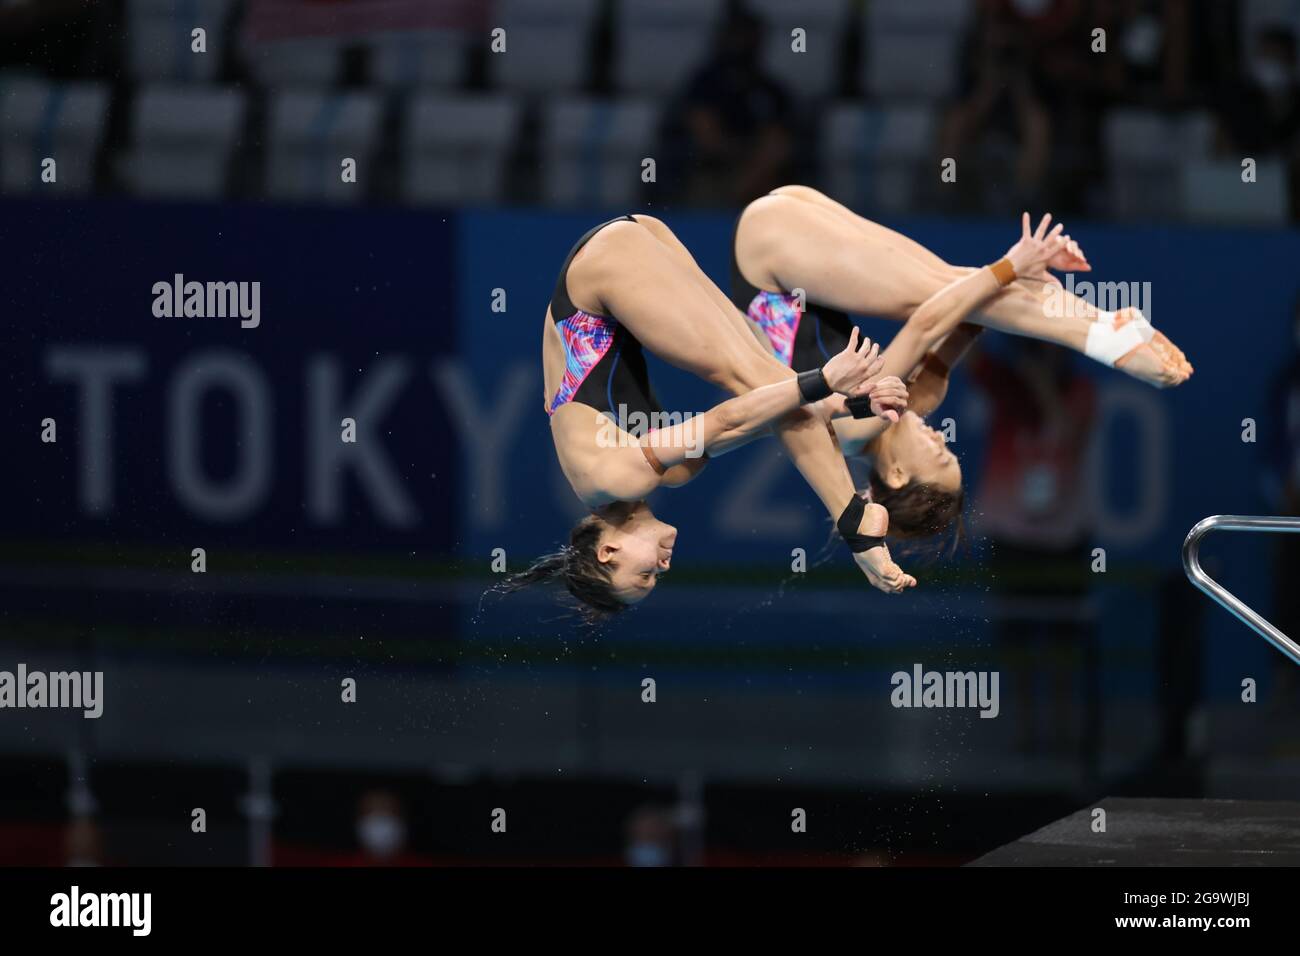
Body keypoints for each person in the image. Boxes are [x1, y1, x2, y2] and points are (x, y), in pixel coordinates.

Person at [504, 211, 1070, 618]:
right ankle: (853, 517)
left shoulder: (611, 479)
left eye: (645, 573)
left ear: (608, 550)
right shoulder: (661, 475)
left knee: (751, 377)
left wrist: (824, 383)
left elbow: (729, 418)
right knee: (762, 378)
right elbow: (755, 419)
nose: (663, 568)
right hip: (630, 244)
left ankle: (852, 523)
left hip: (600, 279)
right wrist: (840, 400)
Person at [728, 185, 1190, 545]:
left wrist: (1012, 268)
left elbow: (928, 322)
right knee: (953, 283)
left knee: (931, 290)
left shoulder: (854, 431)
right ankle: (1097, 322)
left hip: (768, 259)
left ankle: (1099, 334)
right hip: (792, 224)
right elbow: (967, 316)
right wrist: (1027, 277)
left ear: (895, 475)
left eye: (940, 457)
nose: (941, 440)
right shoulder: (924, 398)